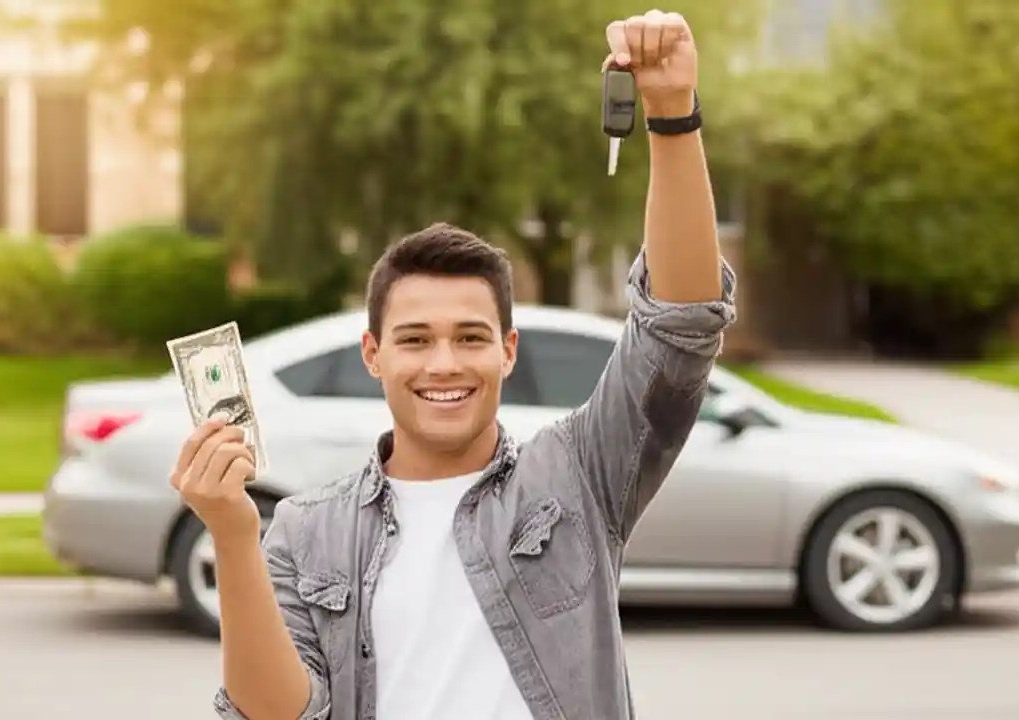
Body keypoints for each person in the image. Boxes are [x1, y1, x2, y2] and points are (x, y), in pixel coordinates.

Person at [170, 9, 736, 720]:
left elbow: (679, 326)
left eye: (470, 338)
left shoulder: (575, 478)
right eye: (415, 340)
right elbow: (277, 715)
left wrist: (672, 115)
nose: (444, 364)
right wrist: (232, 535)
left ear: (508, 350)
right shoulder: (307, 532)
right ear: (373, 355)